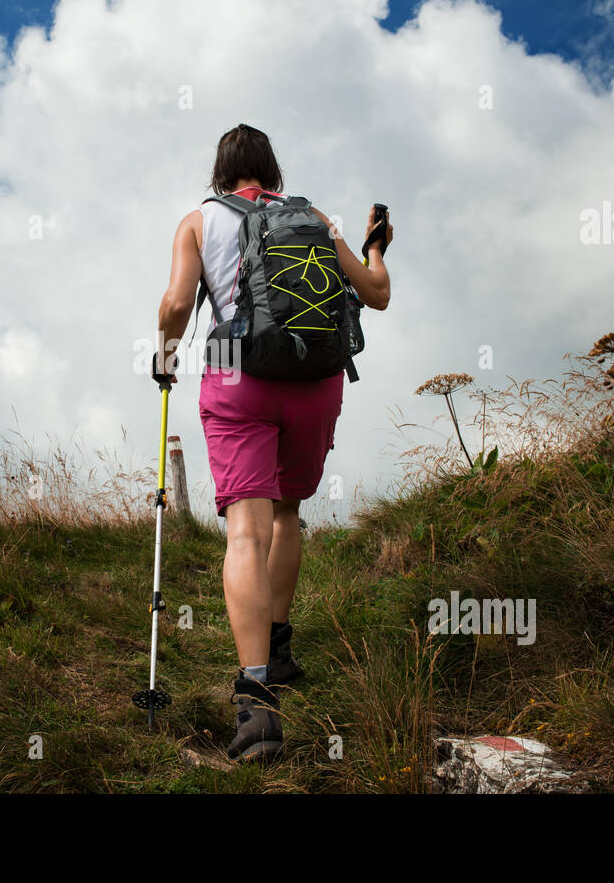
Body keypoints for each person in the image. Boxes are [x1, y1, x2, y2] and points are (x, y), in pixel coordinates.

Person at [153, 124, 391, 760]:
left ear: (220, 172)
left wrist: (166, 357)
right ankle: (280, 646)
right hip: (315, 375)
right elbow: (377, 294)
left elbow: (178, 304)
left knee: (245, 534)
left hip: (236, 371)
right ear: (272, 171)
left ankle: (257, 703)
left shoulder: (198, 222)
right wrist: (376, 249)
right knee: (288, 514)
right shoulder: (311, 215)